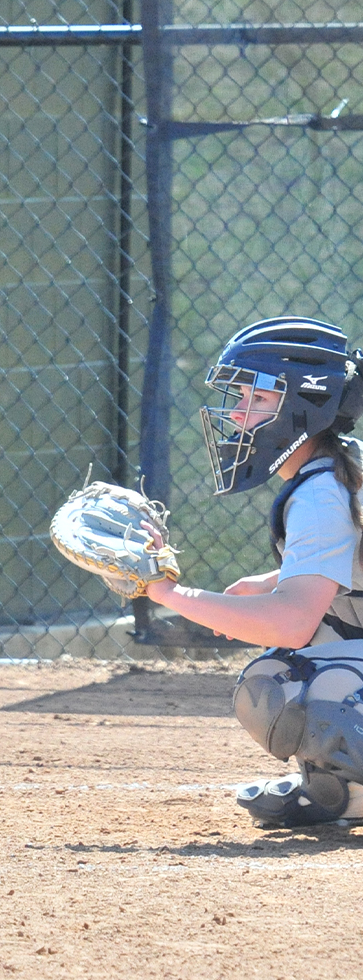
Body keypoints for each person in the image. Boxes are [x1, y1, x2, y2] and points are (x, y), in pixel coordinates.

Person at [140, 316, 363, 827]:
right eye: (240, 397)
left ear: (303, 408)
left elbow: (290, 623)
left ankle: (349, 795)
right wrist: (270, 582)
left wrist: (169, 594)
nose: (238, 414)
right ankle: (343, 793)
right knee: (313, 648)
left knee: (285, 678)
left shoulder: (321, 492)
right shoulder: (340, 467)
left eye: (257, 400)